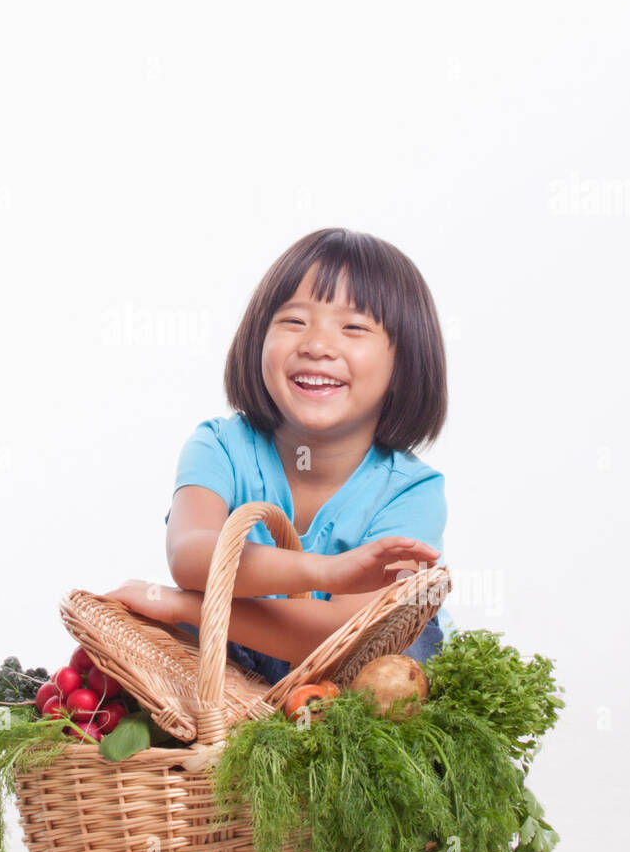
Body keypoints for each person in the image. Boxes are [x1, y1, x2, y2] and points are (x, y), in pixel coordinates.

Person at [103, 226, 456, 686]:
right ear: (258, 338)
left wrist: (181, 604)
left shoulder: (413, 492)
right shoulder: (220, 446)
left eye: (353, 328)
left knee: (404, 638)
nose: (316, 345)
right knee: (153, 648)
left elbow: (348, 640)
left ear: (404, 362)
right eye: (293, 321)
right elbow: (189, 556)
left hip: (351, 684)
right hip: (230, 660)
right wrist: (329, 571)